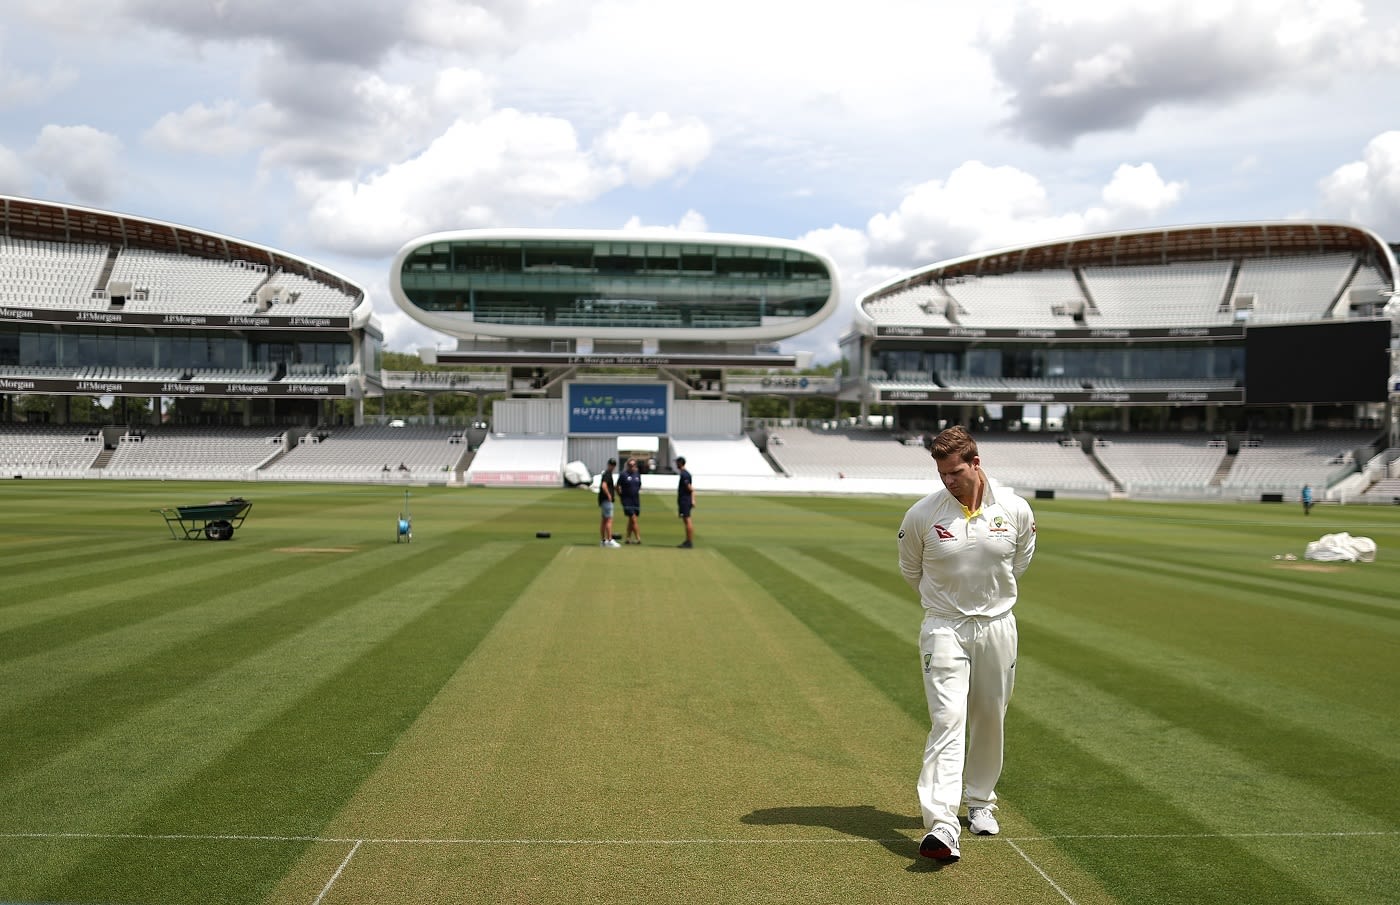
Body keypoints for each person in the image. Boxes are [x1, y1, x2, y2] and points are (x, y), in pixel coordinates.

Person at [897, 426, 1036, 863]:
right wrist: (951, 603)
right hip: (944, 626)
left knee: (990, 714)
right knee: (948, 716)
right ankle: (942, 822)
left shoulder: (1014, 509)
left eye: (954, 472)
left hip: (997, 626)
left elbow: (1020, 561)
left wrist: (985, 602)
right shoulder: (922, 514)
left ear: (975, 463)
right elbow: (910, 571)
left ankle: (979, 804)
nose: (947, 481)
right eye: (941, 473)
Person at [618, 457, 643, 543]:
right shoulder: (623, 474)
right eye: (630, 465)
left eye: (633, 465)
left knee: (631, 519)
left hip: (635, 499)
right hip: (627, 500)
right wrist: (621, 496)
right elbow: (617, 486)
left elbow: (639, 484)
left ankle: (628, 538)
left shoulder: (637, 474)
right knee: (633, 518)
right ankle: (638, 538)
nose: (632, 467)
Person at [598, 458, 620, 547]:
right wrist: (609, 495)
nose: (612, 466)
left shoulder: (607, 474)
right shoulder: (607, 474)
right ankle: (610, 539)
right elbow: (604, 485)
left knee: (604, 520)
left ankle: (603, 540)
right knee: (609, 520)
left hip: (603, 500)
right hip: (606, 500)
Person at [675, 456, 695, 548]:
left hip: (685, 500)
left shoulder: (684, 474)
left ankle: (689, 541)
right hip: (684, 500)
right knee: (686, 520)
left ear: (680, 463)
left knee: (687, 520)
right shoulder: (684, 473)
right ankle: (688, 540)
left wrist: (693, 499)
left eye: (676, 463)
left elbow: (690, 488)